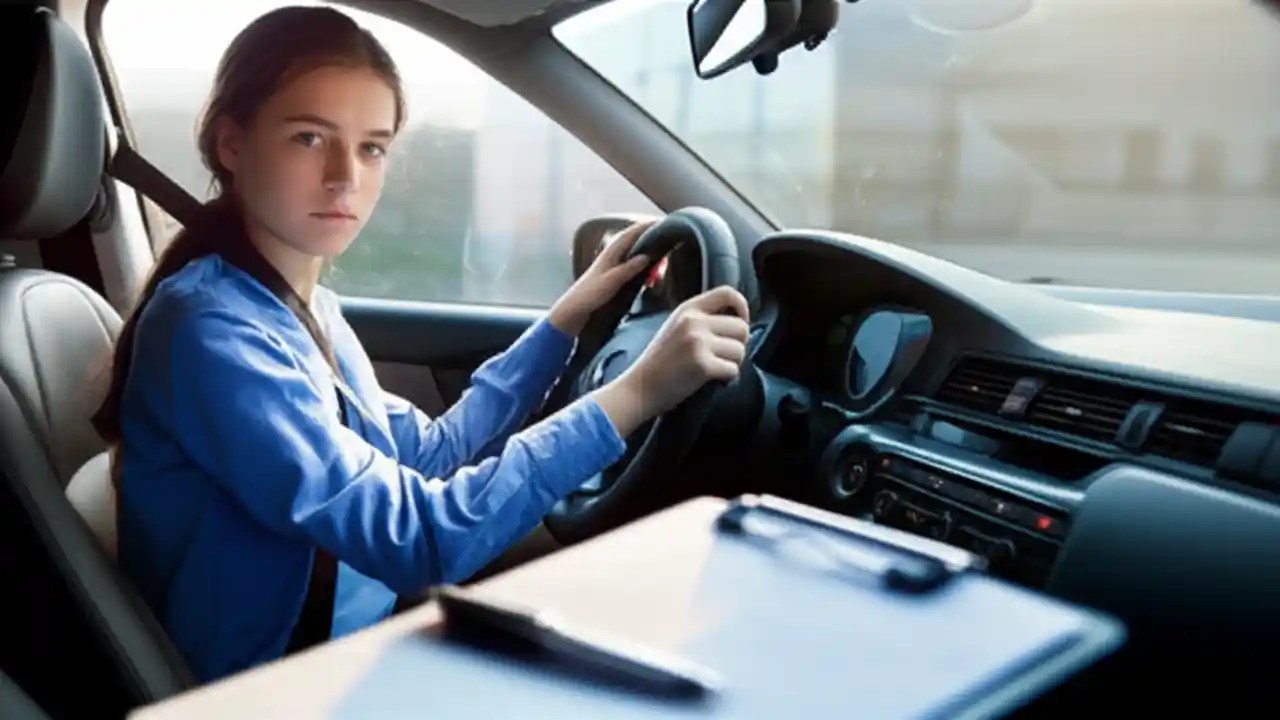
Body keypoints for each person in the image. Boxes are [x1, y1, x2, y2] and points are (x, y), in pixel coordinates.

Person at [89, 6, 751, 683]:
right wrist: (635, 394)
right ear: (232, 144)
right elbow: (419, 540)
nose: (345, 175)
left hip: (356, 648)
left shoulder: (304, 310)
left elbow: (428, 455)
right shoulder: (211, 333)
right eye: (309, 138)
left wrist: (562, 325)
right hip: (280, 690)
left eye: (372, 147)